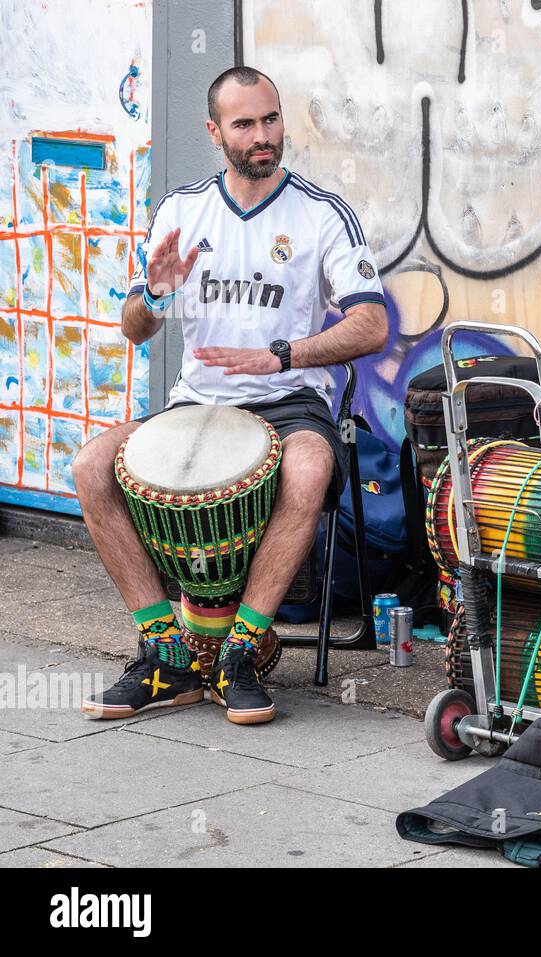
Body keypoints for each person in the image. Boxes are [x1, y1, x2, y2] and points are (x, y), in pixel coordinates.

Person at [75, 67, 388, 725]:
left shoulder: (323, 214)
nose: (262, 135)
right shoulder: (182, 210)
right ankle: (166, 655)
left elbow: (372, 323)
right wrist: (154, 297)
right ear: (215, 132)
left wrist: (284, 353)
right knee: (90, 466)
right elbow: (134, 326)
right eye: (244, 124)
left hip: (288, 398)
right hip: (199, 404)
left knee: (308, 468)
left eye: (270, 119)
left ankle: (239, 653)